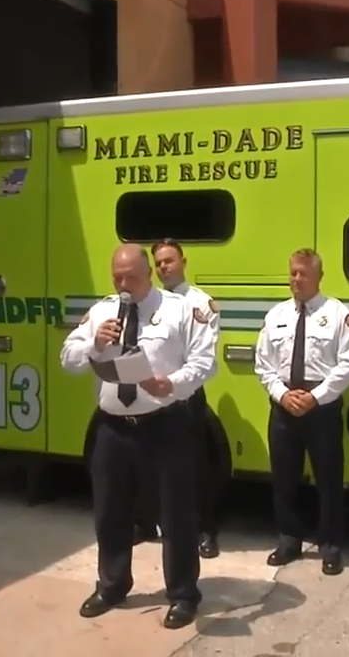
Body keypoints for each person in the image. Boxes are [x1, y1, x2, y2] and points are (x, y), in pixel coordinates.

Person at [59, 244, 217, 630]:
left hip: (164, 423)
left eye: (131, 277)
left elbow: (204, 363)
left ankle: (182, 593)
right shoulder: (102, 311)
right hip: (113, 427)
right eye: (117, 277)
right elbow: (68, 358)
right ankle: (112, 585)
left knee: (175, 512)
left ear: (148, 273)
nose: (123, 284)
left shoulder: (181, 310)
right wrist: (95, 343)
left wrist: (172, 384)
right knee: (110, 510)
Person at [254, 248, 349, 576]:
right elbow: (263, 364)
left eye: (302, 273)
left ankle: (330, 545)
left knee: (328, 477)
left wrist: (315, 397)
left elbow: (348, 366)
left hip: (322, 408)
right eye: (292, 273)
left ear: (318, 277)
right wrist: (283, 396)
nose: (295, 279)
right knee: (284, 476)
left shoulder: (338, 314)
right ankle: (289, 538)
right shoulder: (276, 316)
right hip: (284, 406)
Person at [152, 238, 225, 559]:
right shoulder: (146, 301)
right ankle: (153, 523)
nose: (163, 267)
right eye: (158, 263)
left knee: (195, 468)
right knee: (152, 464)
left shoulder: (200, 304)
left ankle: (204, 531)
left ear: (183, 261)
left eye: (169, 260)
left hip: (185, 396)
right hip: (149, 396)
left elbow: (203, 358)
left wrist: (175, 382)